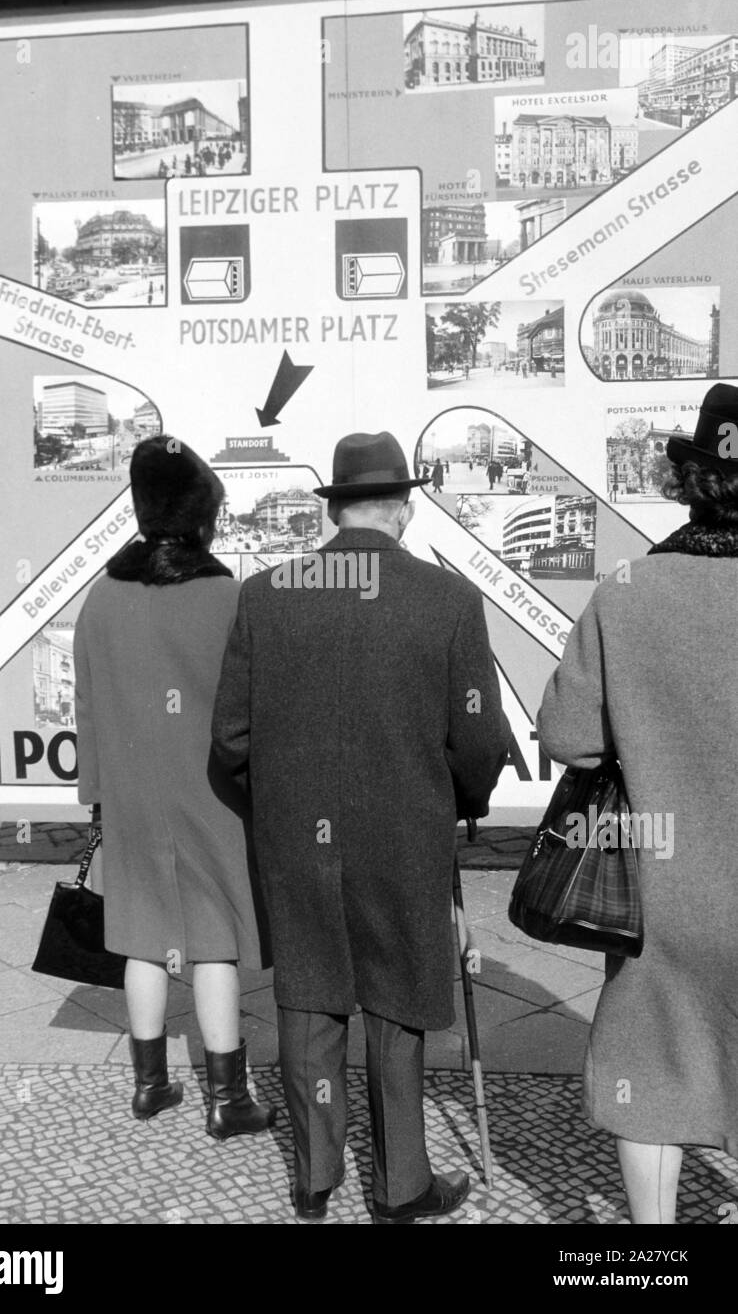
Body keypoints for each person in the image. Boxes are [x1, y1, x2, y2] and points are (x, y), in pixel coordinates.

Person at [212, 431, 510, 1223]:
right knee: (397, 1003)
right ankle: (402, 1184)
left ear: (336, 510)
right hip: (405, 831)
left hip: (295, 834)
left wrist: (276, 807)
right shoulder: (447, 600)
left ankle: (314, 1178)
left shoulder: (266, 594)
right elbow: (479, 738)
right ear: (403, 512)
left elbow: (231, 741)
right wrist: (459, 799)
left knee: (310, 994)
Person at [536, 383, 738, 1224]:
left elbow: (567, 737)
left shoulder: (628, 589)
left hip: (663, 896)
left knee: (648, 1072)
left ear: (689, 481)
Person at [74, 435, 276, 1139]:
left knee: (141, 934)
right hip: (215, 793)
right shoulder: (228, 595)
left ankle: (150, 1087)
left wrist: (96, 793)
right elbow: (252, 708)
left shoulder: (101, 599)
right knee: (214, 935)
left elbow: (89, 708)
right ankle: (229, 1098)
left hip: (130, 793)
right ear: (201, 516)